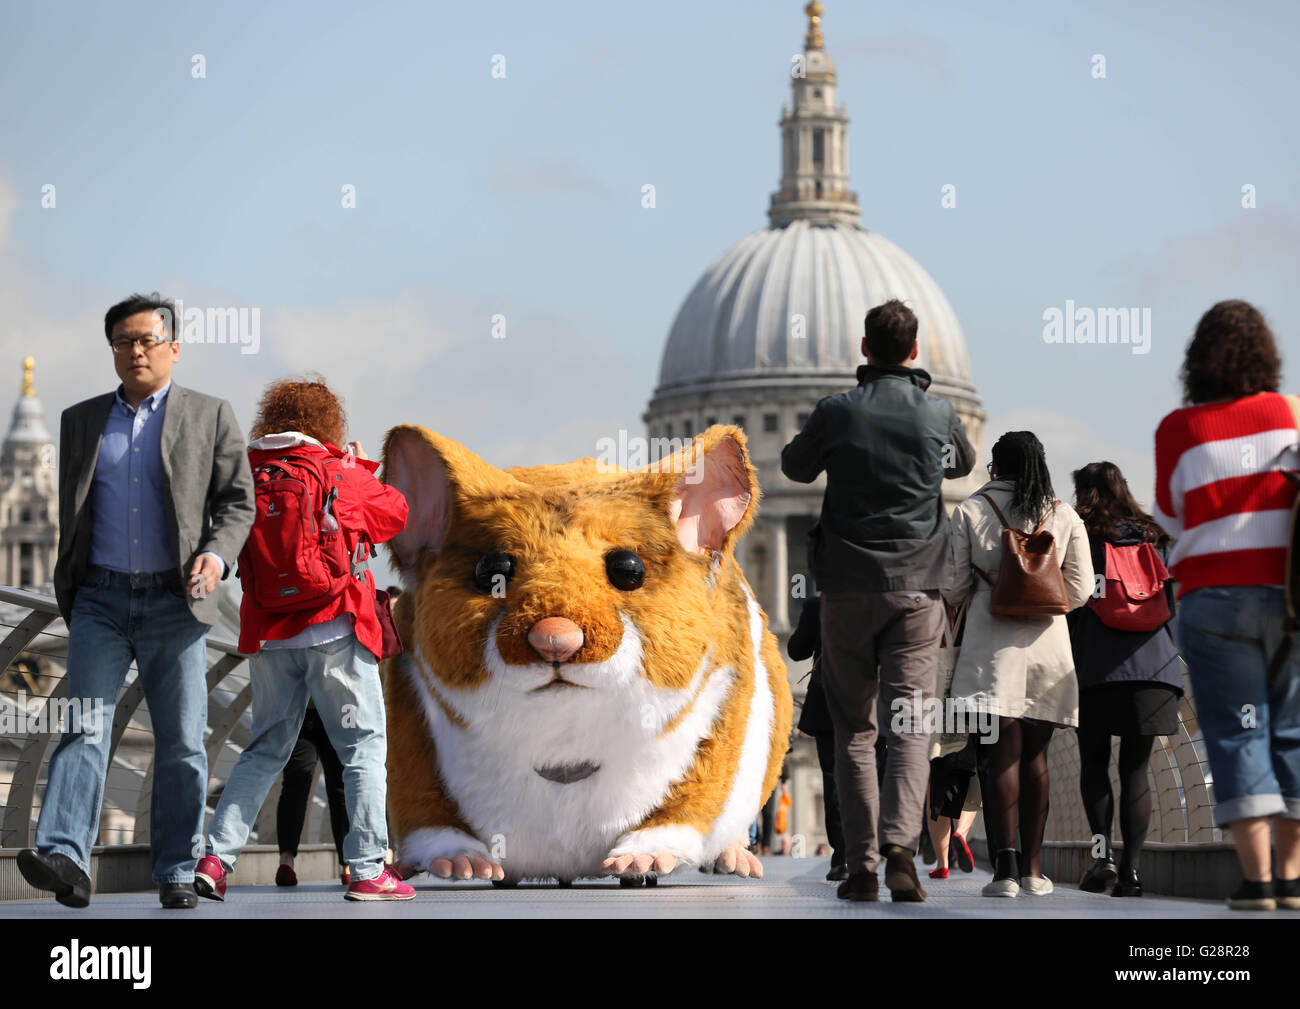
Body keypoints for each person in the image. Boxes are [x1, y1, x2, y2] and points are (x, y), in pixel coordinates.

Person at [17, 294, 255, 909]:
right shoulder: (81, 419)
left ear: (174, 347)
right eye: (124, 341)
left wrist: (215, 555)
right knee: (85, 728)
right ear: (113, 351)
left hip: (175, 603)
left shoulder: (210, 414)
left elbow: (237, 504)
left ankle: (176, 866)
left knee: (179, 741)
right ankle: (65, 856)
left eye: (148, 339)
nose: (137, 350)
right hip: (98, 597)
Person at [781, 299, 975, 902]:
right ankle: (901, 853)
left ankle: (861, 866)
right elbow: (964, 462)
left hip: (845, 589)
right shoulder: (939, 413)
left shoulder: (837, 412)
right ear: (915, 352)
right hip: (918, 590)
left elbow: (793, 466)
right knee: (911, 727)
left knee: (854, 732)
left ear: (864, 350)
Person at [193, 377, 412, 902]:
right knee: (361, 748)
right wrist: (358, 468)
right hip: (336, 625)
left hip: (269, 634)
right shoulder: (335, 469)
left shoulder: (246, 472)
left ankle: (215, 860)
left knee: (265, 749)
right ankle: (365, 869)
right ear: (328, 423)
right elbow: (395, 515)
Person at [1155, 300, 1300, 912]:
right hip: (1288, 598)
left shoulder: (1177, 430)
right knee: (1292, 733)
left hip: (1212, 602)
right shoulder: (1286, 415)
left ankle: (1258, 881)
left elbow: (1168, 519)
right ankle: (1293, 879)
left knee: (1238, 733)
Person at [946, 431, 1093, 898]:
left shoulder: (970, 510)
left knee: (997, 758)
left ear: (994, 466)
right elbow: (1083, 588)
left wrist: (993, 593)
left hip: (991, 647)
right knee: (1036, 757)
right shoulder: (1063, 514)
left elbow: (949, 587)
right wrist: (1043, 599)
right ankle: (1033, 867)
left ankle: (1004, 871)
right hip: (1049, 647)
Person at [1068, 461, 1183, 898]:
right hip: (1154, 668)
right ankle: (1132, 872)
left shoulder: (1081, 535)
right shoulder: (1155, 535)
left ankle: (1103, 860)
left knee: (1093, 765)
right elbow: (1175, 600)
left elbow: (1071, 599)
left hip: (1095, 666)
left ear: (1086, 492)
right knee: (1136, 769)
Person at [788, 595, 847, 880]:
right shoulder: (878, 598)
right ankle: (872, 848)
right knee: (872, 775)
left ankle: (843, 855)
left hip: (829, 704)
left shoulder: (818, 606)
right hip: (874, 703)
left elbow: (797, 650)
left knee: (834, 779)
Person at [274, 699, 351, 887]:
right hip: (333, 707)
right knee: (339, 788)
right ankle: (348, 866)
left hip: (302, 707)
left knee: (296, 783)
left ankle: (286, 861)